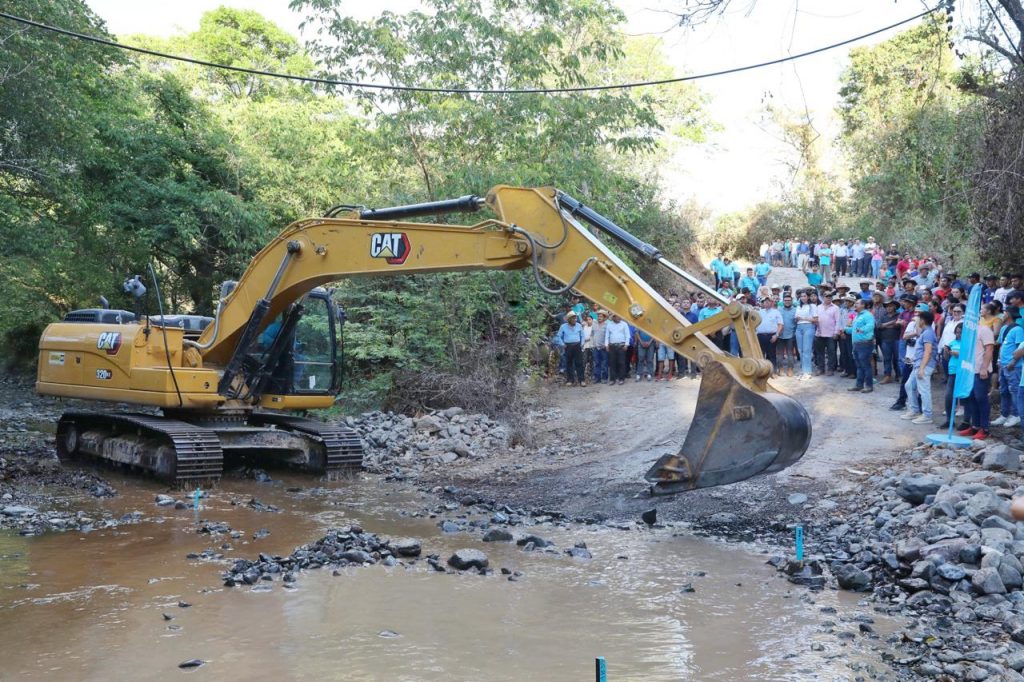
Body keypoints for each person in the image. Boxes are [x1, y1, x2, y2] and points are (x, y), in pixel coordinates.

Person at [959, 315, 996, 440]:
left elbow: (989, 349)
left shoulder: (984, 330)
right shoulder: (968, 331)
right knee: (971, 398)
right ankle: (975, 425)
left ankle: (984, 428)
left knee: (981, 398)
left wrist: (984, 368)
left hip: (980, 370)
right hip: (969, 370)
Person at [901, 310, 937, 423]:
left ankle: (927, 415)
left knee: (924, 390)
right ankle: (914, 410)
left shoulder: (928, 333)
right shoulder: (925, 332)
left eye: (918, 319)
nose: (916, 320)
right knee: (909, 385)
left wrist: (922, 368)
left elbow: (928, 351)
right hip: (918, 364)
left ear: (922, 320)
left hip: (924, 366)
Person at [994, 306, 1023, 427]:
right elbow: (1001, 345)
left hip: (1013, 366)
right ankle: (1004, 414)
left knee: (1014, 390)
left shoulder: (1018, 330)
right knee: (1004, 390)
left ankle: (1016, 415)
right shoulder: (1004, 328)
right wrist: (999, 360)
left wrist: (1013, 362)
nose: (1003, 315)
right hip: (1003, 364)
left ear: (1009, 314)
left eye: (1004, 312)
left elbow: (1020, 348)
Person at [846, 298, 876, 392]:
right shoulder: (857, 316)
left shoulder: (868, 315)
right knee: (859, 366)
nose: (855, 305)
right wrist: (846, 329)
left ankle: (869, 386)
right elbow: (854, 329)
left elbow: (871, 326)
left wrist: (861, 330)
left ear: (863, 305)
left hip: (864, 344)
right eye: (855, 303)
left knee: (866, 365)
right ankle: (859, 385)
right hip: (856, 344)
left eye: (857, 303)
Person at [814, 292, 841, 375]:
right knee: (819, 353)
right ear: (823, 297)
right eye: (826, 297)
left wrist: (836, 333)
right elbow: (815, 319)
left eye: (830, 297)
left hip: (831, 334)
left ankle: (830, 369)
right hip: (819, 333)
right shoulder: (818, 307)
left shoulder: (836, 308)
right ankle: (821, 369)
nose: (828, 298)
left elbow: (838, 321)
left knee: (831, 352)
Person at [556, 311, 586, 386]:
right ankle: (570, 380)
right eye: (573, 318)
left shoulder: (579, 325)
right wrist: (562, 344)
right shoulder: (563, 326)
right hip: (568, 346)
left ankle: (581, 380)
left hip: (577, 346)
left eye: (575, 318)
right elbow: (558, 336)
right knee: (569, 363)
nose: (575, 320)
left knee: (579, 363)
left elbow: (582, 336)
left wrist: (582, 343)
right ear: (569, 319)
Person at [755, 296, 783, 373]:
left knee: (772, 354)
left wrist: (776, 335)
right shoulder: (759, 312)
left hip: (772, 335)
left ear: (771, 303)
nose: (766, 302)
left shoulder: (776, 312)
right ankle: (762, 371)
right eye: (765, 301)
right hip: (760, 336)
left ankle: (773, 372)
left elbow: (780, 324)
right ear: (763, 303)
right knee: (761, 354)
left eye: (768, 301)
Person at [877, 299, 902, 384]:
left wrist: (885, 325)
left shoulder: (899, 315)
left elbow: (897, 325)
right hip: (885, 340)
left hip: (897, 340)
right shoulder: (883, 316)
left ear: (895, 307)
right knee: (887, 359)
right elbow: (879, 326)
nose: (888, 308)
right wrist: (891, 323)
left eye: (890, 306)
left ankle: (899, 375)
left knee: (897, 359)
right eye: (887, 306)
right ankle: (887, 376)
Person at [942, 321, 963, 422]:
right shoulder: (952, 342)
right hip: (952, 370)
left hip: (963, 371)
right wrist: (947, 352)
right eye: (957, 332)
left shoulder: (967, 344)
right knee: (948, 395)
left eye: (961, 332)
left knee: (963, 395)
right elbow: (946, 358)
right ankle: (949, 419)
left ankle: (966, 419)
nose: (958, 334)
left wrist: (958, 354)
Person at [794, 290, 817, 380]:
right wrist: (796, 318)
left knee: (807, 350)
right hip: (799, 327)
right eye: (801, 296)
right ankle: (803, 371)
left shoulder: (812, 306)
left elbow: (815, 319)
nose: (803, 298)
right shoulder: (799, 306)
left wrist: (803, 318)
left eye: (805, 296)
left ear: (808, 297)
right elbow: (796, 318)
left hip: (809, 327)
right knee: (800, 350)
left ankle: (807, 372)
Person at [603, 312, 631, 385]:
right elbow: (607, 336)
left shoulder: (624, 324)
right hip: (612, 346)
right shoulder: (609, 324)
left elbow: (627, 335)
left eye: (619, 316)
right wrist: (606, 345)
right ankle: (613, 379)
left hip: (621, 345)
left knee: (621, 362)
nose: (619, 317)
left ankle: (621, 378)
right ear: (613, 317)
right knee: (612, 363)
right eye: (617, 316)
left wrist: (626, 345)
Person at [777, 291, 798, 377]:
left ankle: (790, 369)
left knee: (790, 353)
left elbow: (797, 323)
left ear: (792, 301)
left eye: (789, 300)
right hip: (780, 335)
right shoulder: (779, 309)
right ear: (783, 301)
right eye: (785, 300)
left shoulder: (795, 310)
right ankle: (780, 368)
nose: (787, 301)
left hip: (791, 335)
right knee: (780, 354)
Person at [592, 311, 609, 383]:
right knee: (596, 363)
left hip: (603, 347)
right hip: (596, 347)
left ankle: (604, 378)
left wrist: (606, 345)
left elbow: (608, 336)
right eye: (598, 316)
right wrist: (592, 344)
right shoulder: (594, 323)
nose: (599, 318)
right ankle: (597, 378)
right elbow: (592, 334)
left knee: (604, 363)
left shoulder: (607, 325)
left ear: (604, 318)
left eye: (601, 316)